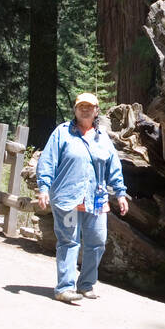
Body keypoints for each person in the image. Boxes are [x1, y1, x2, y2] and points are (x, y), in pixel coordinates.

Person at [35, 92, 129, 303]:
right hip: (68, 200)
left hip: (95, 201)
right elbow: (48, 160)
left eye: (90, 106)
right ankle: (64, 288)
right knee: (69, 241)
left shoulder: (102, 137)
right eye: (81, 106)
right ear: (75, 110)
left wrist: (121, 193)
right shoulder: (62, 133)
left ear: (96, 111)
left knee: (97, 242)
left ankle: (86, 285)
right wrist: (43, 187)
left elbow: (114, 166)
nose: (85, 110)